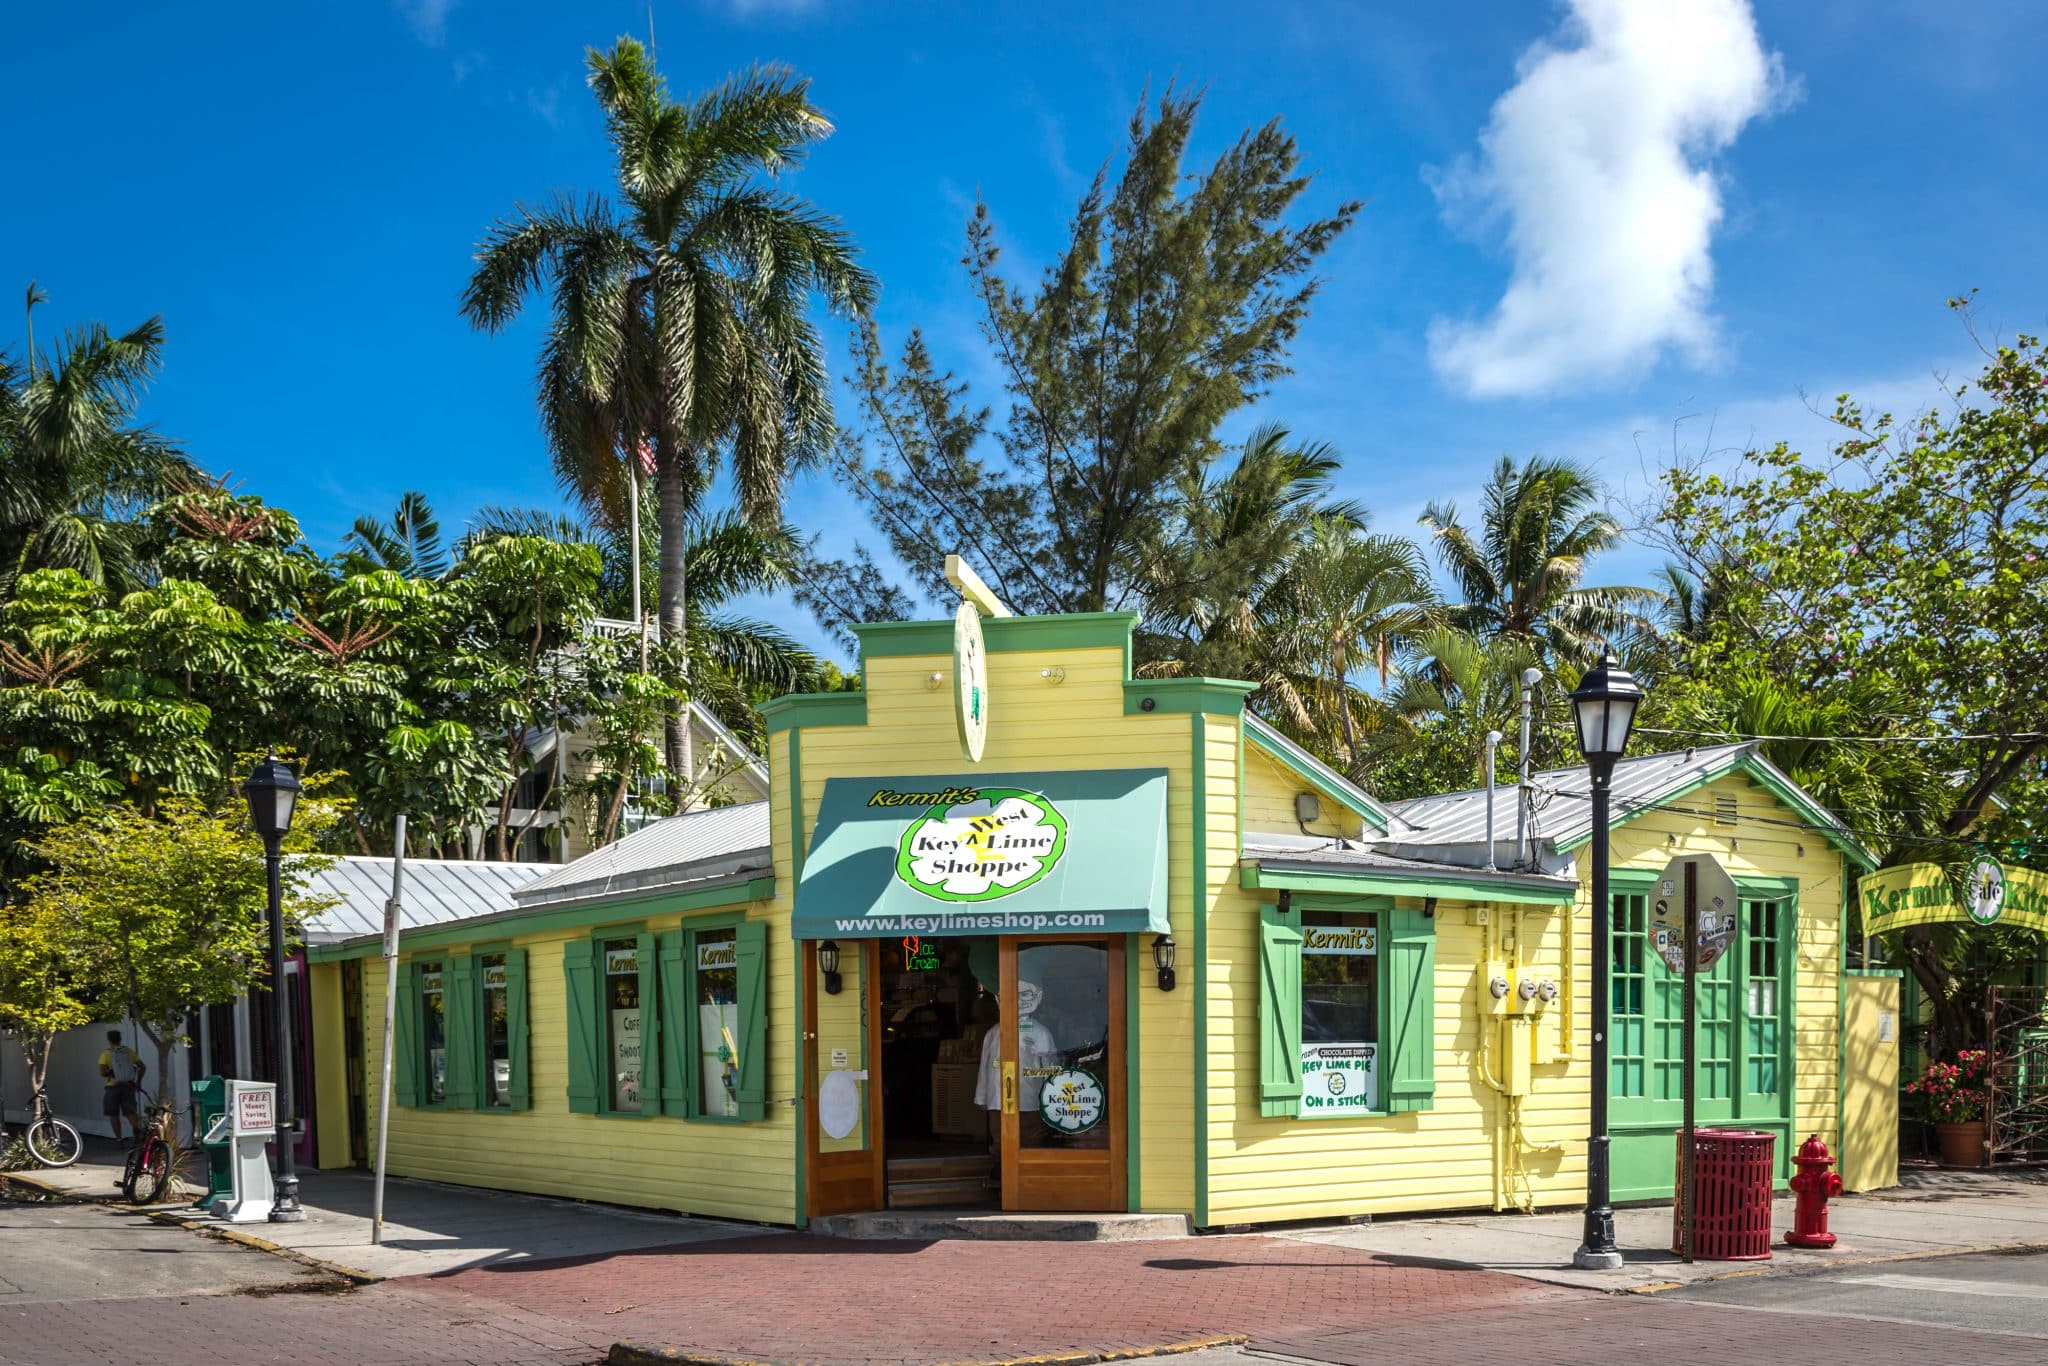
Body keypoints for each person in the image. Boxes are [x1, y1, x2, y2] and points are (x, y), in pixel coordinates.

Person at [97, 1030, 146, 1142]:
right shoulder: (129, 1052)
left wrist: (112, 1073)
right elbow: (142, 1067)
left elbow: (102, 1073)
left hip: (112, 1086)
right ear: (120, 1039)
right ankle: (138, 1134)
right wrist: (138, 1082)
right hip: (128, 1086)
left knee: (113, 1114)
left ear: (109, 1040)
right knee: (131, 1112)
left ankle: (119, 1138)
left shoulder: (106, 1053)